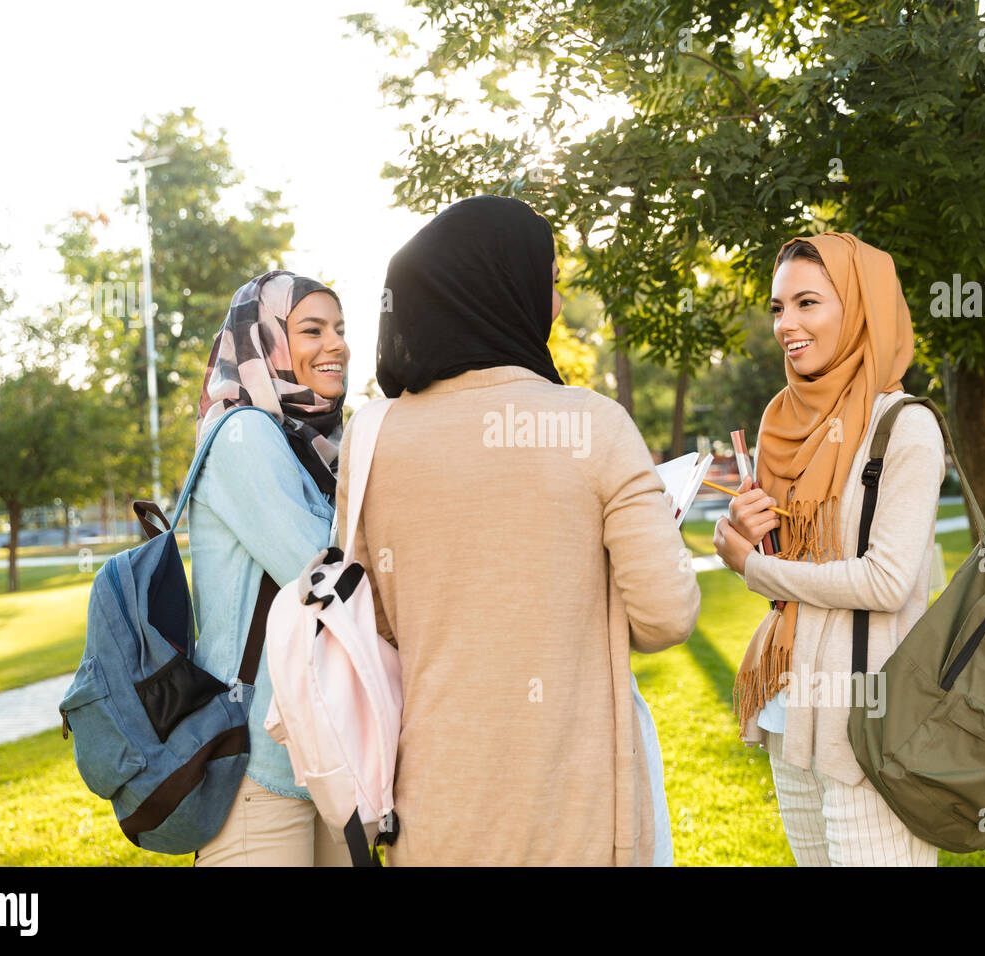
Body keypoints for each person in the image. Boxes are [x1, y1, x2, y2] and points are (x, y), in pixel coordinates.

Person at [336, 194, 701, 866]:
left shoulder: (370, 437)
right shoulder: (594, 424)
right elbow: (665, 617)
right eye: (551, 282)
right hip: (577, 813)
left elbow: (373, 621)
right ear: (506, 289)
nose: (556, 303)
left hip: (433, 813)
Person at [713, 232, 946, 867]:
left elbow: (886, 582)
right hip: (793, 712)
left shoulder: (905, 427)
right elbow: (779, 579)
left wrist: (754, 565)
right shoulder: (782, 423)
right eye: (778, 307)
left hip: (868, 721)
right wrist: (744, 532)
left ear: (860, 306)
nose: (786, 324)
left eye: (807, 303)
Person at [187, 270, 375, 866]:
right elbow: (322, 574)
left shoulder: (317, 444)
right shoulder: (242, 435)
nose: (336, 345)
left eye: (340, 329)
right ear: (266, 341)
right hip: (254, 763)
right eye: (312, 330)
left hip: (324, 750)